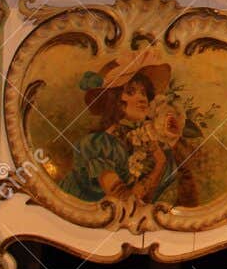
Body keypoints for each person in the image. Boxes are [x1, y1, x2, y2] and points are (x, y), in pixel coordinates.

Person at [60, 49, 179, 205]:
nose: (142, 99)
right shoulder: (98, 144)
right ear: (114, 99)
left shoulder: (134, 142)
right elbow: (124, 200)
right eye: (131, 92)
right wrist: (159, 165)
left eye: (144, 93)